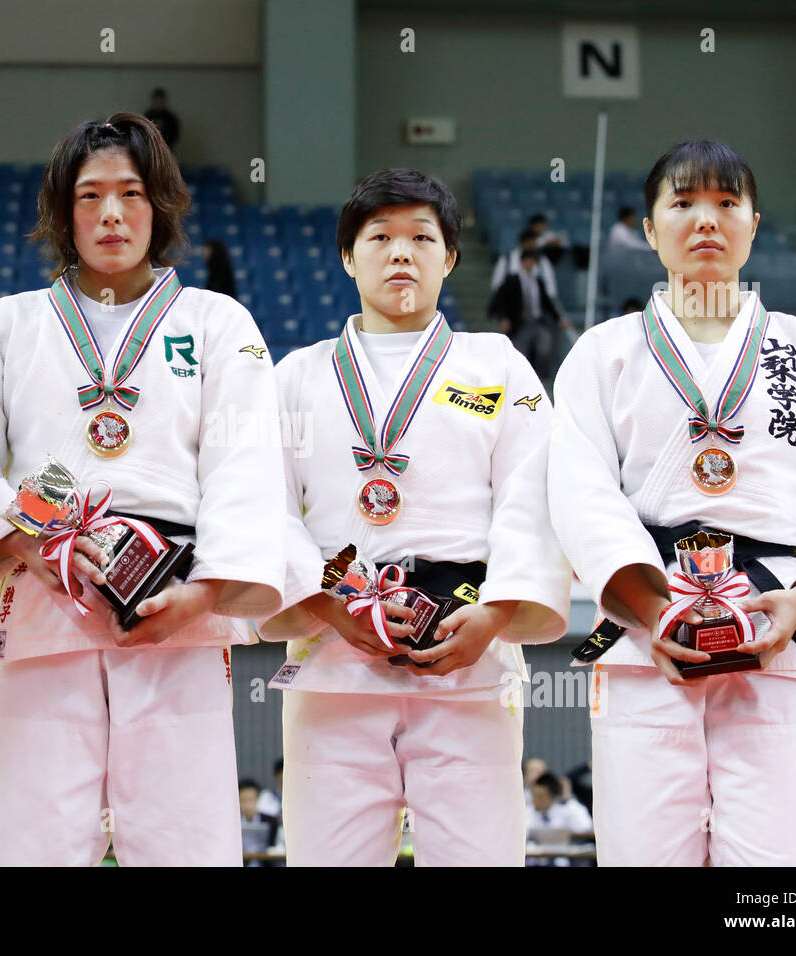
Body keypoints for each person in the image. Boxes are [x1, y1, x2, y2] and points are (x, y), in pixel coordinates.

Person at [548, 140, 796, 866]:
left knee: (778, 860)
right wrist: (647, 604)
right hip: (647, 633)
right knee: (644, 852)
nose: (706, 219)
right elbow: (579, 489)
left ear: (755, 225)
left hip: (776, 626)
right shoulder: (602, 352)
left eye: (727, 203)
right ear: (647, 228)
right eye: (684, 202)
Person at [0, 113, 285, 867]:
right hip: (48, 602)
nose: (111, 214)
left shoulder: (219, 323)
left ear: (162, 206)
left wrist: (207, 595)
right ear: (61, 212)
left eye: (131, 194)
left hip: (177, 610)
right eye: (89, 197)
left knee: (187, 842)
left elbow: (246, 469)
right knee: (28, 841)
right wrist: (18, 541)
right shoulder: (5, 326)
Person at [259, 168, 571, 867]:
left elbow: (535, 498)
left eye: (421, 237)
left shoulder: (496, 367)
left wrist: (495, 615)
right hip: (333, 657)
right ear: (347, 255)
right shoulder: (295, 378)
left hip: (468, 655)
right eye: (380, 237)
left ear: (450, 257)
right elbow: (263, 506)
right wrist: (331, 609)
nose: (401, 253)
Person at [489, 248, 568, 381]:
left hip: (536, 321)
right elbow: (503, 299)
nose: (531, 264)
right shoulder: (512, 280)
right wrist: (504, 318)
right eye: (529, 260)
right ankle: (518, 380)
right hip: (519, 322)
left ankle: (540, 378)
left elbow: (547, 302)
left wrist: (559, 318)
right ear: (523, 261)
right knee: (521, 352)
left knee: (544, 345)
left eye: (533, 261)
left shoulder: (538, 281)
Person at [490, 227, 558, 299]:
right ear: (522, 242)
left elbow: (551, 287)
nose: (531, 246)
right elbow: (496, 284)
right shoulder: (506, 260)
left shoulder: (543, 261)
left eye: (533, 243)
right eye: (529, 242)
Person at [238, 778, 280, 865]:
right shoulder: (233, 822)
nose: (248, 805)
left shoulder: (271, 821)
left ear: (257, 799)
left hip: (265, 862)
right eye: (243, 800)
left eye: (251, 799)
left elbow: (273, 847)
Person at [144, 88, 180, 152]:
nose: (159, 102)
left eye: (160, 99)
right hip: (150, 149)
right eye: (157, 99)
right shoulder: (147, 116)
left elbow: (175, 135)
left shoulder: (171, 118)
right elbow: (142, 133)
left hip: (167, 148)